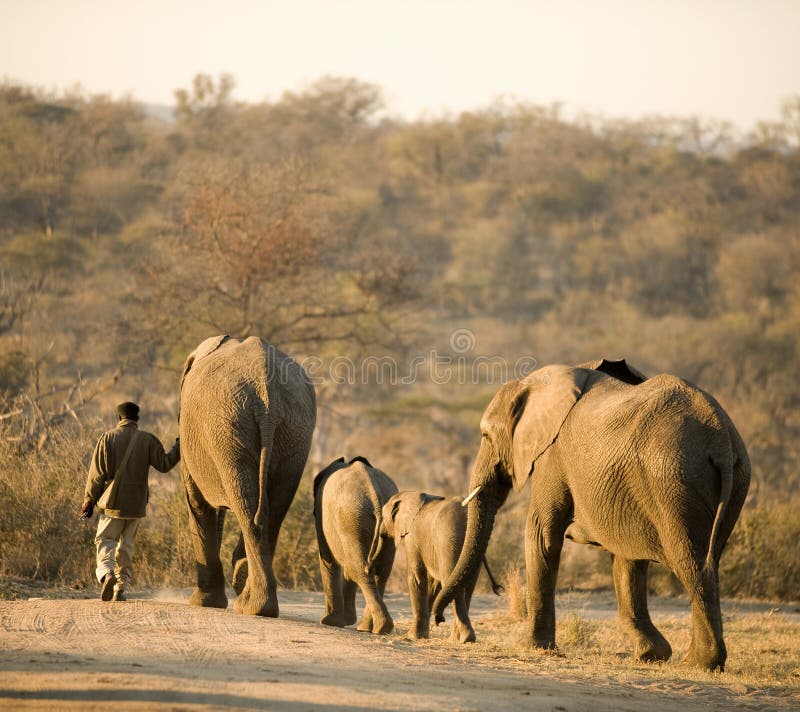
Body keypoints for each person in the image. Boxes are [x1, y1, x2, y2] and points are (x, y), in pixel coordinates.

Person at [80, 401, 180, 602]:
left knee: (106, 541)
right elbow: (165, 464)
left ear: (119, 418)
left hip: (113, 504)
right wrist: (180, 444)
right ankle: (120, 588)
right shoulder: (147, 440)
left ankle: (107, 574)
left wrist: (89, 499)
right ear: (137, 419)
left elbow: (97, 475)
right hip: (136, 504)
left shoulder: (107, 438)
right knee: (126, 547)